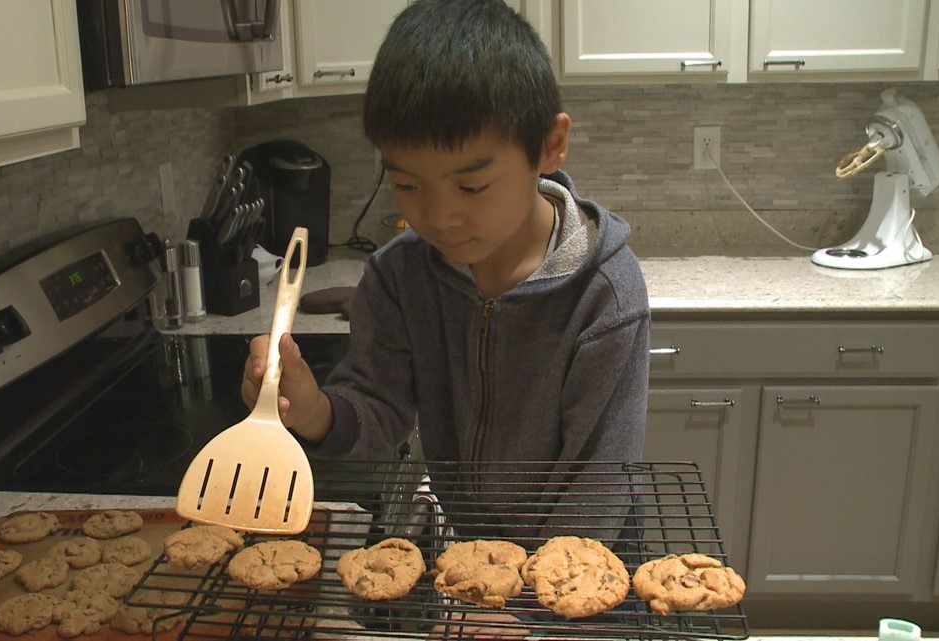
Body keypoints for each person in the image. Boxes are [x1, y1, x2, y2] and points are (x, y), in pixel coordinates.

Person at [241, 0, 649, 537]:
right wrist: (311, 410)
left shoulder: (604, 296)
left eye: (472, 186)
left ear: (550, 145)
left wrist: (529, 614)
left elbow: (597, 487)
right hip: (475, 549)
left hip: (585, 570)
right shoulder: (400, 277)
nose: (437, 216)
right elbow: (377, 409)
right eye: (407, 185)